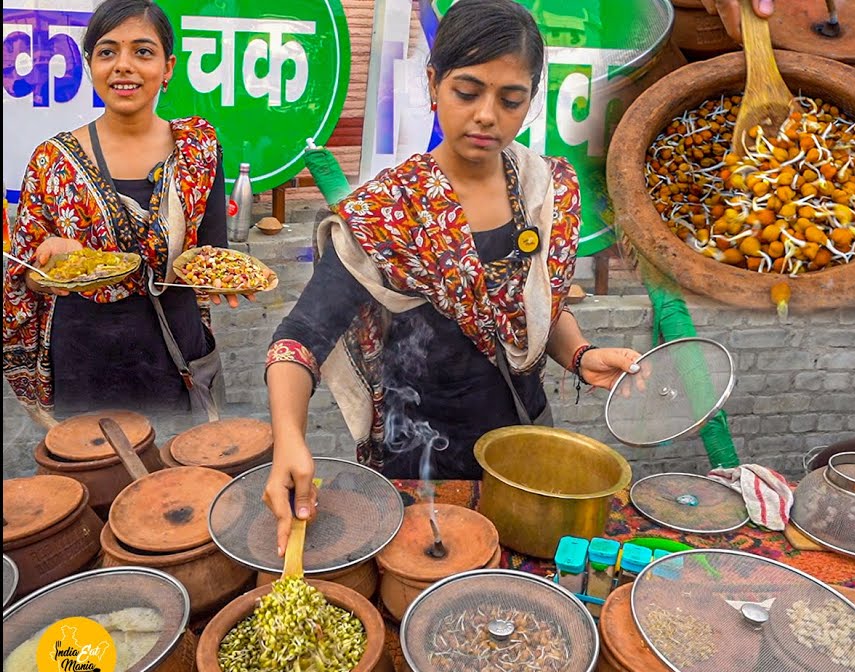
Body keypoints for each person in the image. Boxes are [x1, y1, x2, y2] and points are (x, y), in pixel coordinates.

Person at [262, 0, 642, 554]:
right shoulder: (388, 213)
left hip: (524, 440)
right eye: (468, 92)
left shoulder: (545, 192)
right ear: (433, 83)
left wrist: (581, 355)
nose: (487, 115)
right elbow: (298, 341)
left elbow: (532, 306)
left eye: (510, 99)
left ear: (531, 101)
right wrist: (288, 439)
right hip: (420, 461)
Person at [2, 0, 247, 426]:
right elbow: (23, 276)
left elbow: (211, 255)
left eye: (143, 51)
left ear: (168, 67)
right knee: (95, 480)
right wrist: (50, 258)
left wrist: (231, 277)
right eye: (107, 51)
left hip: (175, 352)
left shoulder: (198, 151)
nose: (124, 66)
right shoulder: (52, 162)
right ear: (91, 65)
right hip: (86, 360)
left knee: (177, 480)